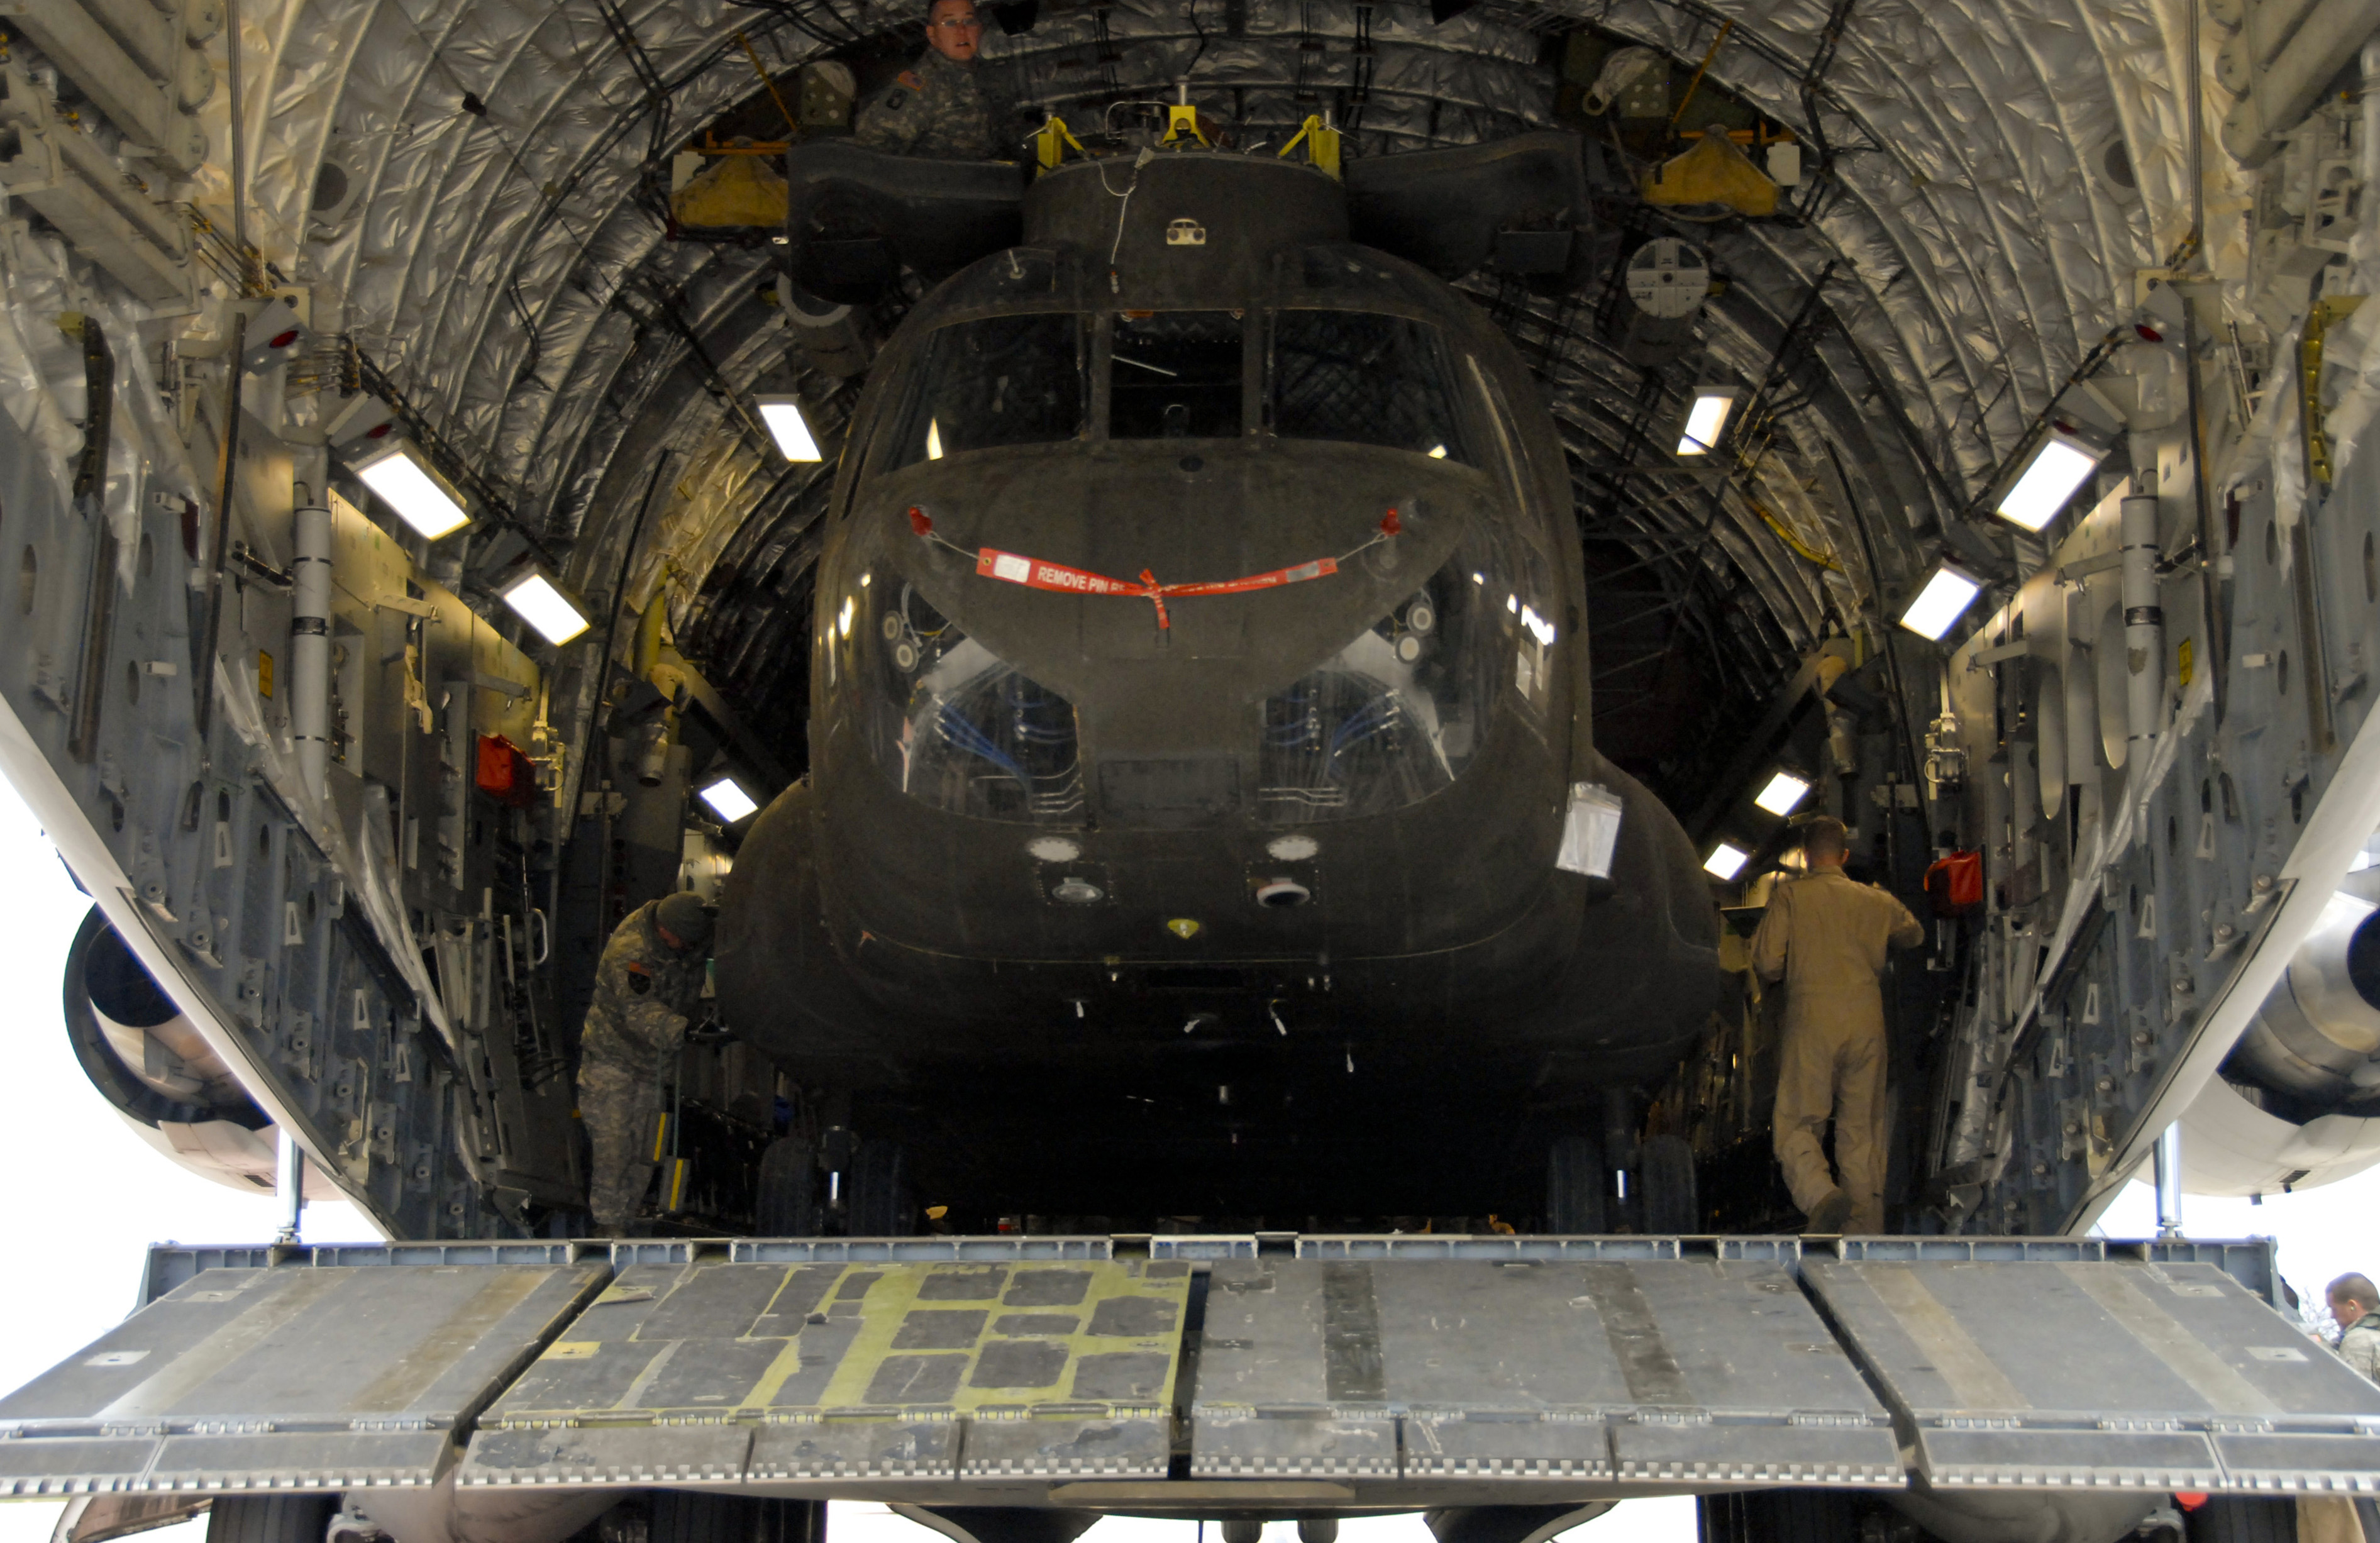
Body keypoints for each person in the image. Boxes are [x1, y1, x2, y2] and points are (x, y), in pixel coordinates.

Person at [1749, 815, 1923, 1234]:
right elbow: (1914, 935)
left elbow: (1767, 963)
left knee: (1796, 1123)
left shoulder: (1792, 897)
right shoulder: (1874, 901)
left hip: (1813, 1019)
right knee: (1860, 1131)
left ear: (1806, 857)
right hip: (1866, 1020)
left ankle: (1820, 1195)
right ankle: (1864, 1234)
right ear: (1844, 856)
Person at [576, 892, 714, 1235]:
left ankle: (626, 1222)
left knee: (644, 1153)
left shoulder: (693, 939)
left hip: (653, 1069)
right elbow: (637, 1011)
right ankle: (608, 1229)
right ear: (662, 928)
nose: (682, 947)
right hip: (613, 1062)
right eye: (678, 940)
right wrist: (685, 1030)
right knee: (614, 1149)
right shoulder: (632, 950)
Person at [854, 0, 1005, 160]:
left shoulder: (988, 76)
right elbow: (871, 146)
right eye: (950, 23)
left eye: (969, 21)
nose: (962, 31)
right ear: (932, 35)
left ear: (979, 29)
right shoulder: (919, 85)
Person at [2330, 1273, 2380, 1382]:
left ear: (2352, 1305)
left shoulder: (2357, 1339)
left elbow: (2353, 1395)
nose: (2332, 1316)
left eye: (2334, 1309)